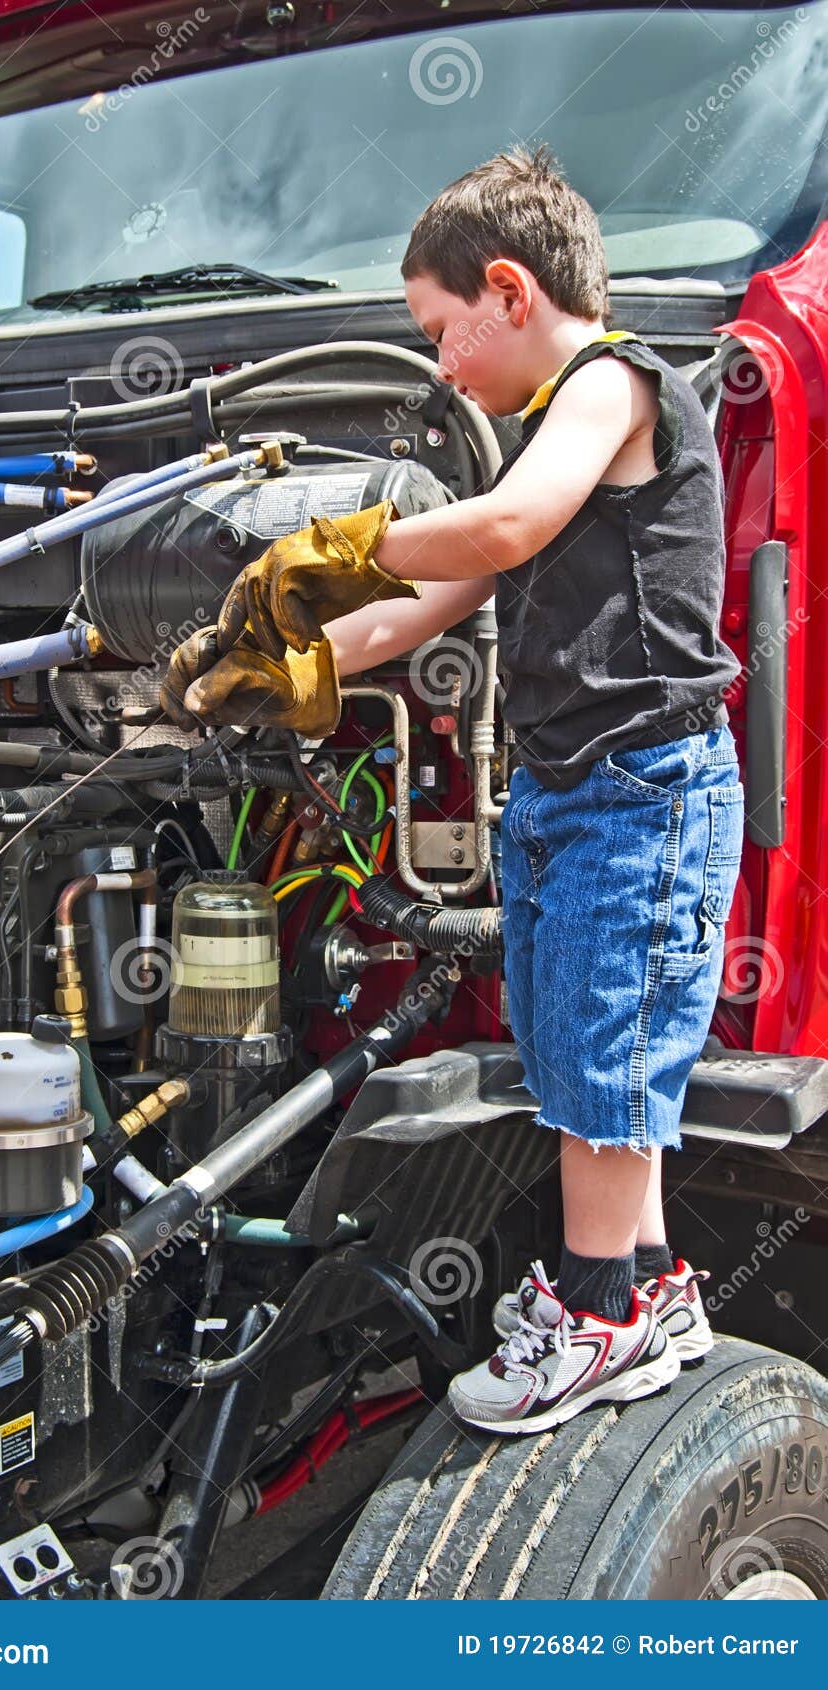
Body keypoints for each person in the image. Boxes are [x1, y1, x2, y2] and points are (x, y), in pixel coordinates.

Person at [159, 144, 743, 1434]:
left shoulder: (614, 388)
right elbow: (441, 597)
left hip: (643, 784)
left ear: (507, 290)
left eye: (439, 333)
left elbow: (497, 532)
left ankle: (598, 1314)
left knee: (605, 1051)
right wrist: (287, 656)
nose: (438, 368)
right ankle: (650, 1289)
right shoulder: (545, 435)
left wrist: (328, 545)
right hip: (567, 789)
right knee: (572, 1051)